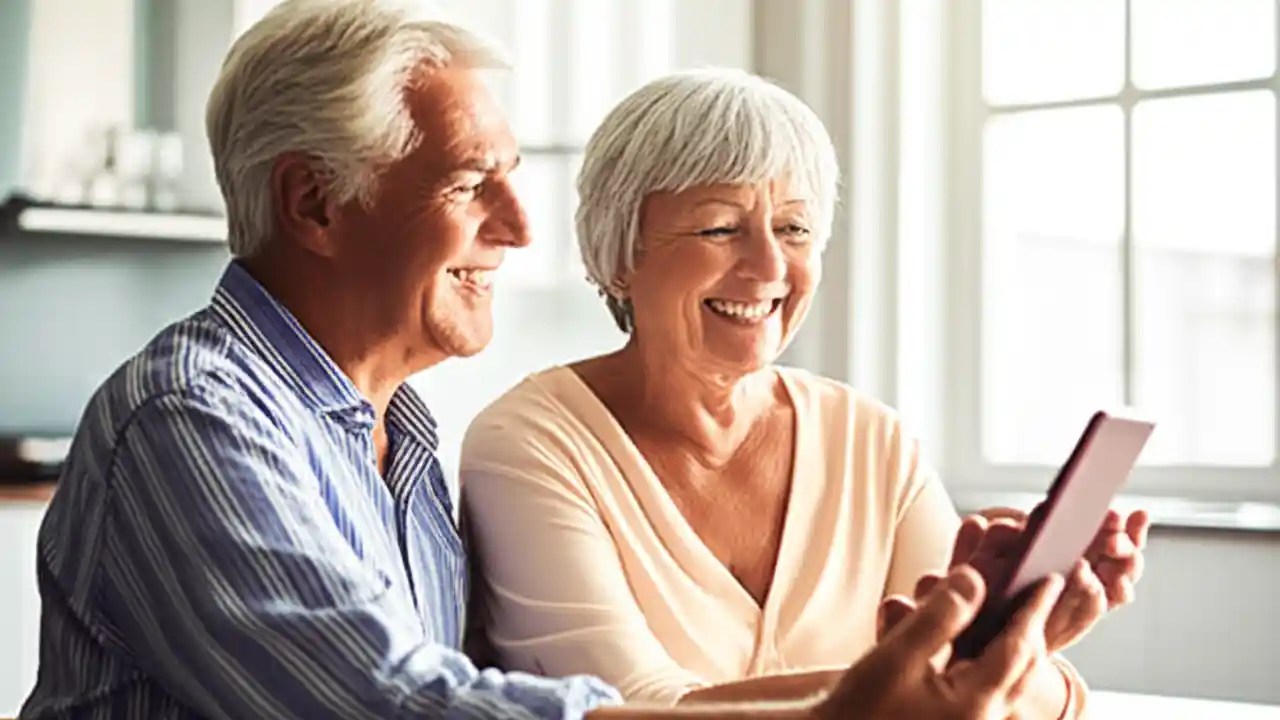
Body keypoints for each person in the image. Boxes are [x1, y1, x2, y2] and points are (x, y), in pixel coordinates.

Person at [19, 2, 1080, 719]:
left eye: (512, 178)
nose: (522, 228)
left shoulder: (399, 441)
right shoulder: (195, 418)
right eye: (471, 183)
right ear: (314, 203)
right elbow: (409, 709)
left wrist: (984, 652)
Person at [460, 68, 1150, 718]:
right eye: (721, 227)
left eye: (793, 228)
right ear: (619, 253)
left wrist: (1021, 636)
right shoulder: (528, 443)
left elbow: (1040, 701)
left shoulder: (869, 438)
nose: (768, 267)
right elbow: (632, 708)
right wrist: (954, 679)